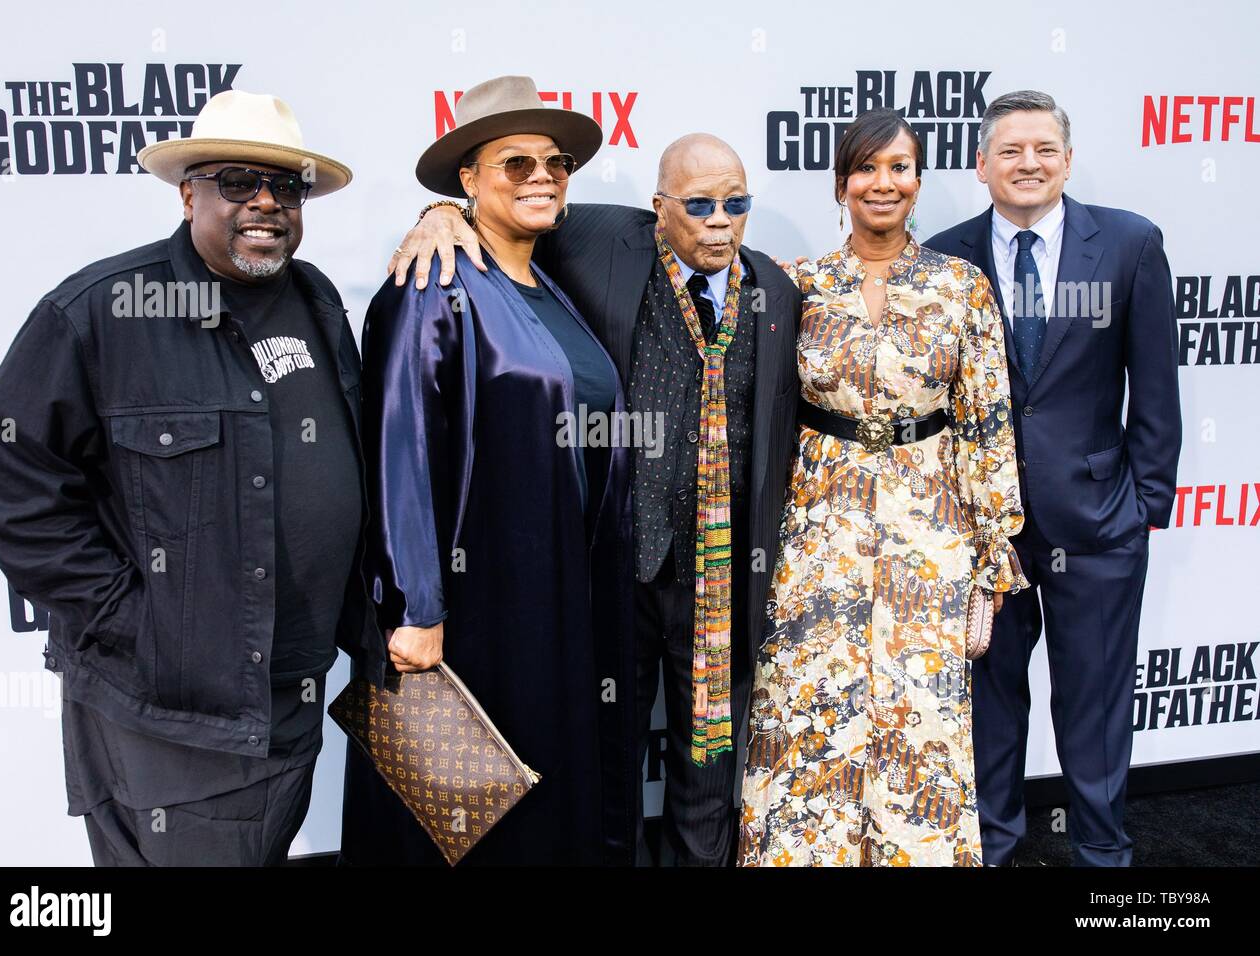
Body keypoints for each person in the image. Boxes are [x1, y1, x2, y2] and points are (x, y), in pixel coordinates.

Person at [0, 90, 387, 865]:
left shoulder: (315, 297)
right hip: (174, 715)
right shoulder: (104, 308)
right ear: (188, 191)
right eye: (237, 182)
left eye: (285, 186)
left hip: (288, 692)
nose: (265, 203)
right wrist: (134, 619)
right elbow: (10, 468)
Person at [396, 130, 802, 866]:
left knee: (710, 764)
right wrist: (437, 214)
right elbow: (506, 205)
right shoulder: (593, 239)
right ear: (659, 209)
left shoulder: (776, 288)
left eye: (736, 202)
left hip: (718, 573)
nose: (719, 219)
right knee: (601, 744)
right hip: (612, 566)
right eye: (700, 203)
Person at [339, 75, 636, 866]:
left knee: (533, 797)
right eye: (515, 164)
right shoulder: (433, 283)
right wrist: (415, 605)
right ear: (467, 179)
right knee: (466, 812)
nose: (542, 177)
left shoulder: (552, 279)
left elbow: (682, 223)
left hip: (560, 595)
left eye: (557, 162)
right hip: (474, 609)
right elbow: (401, 446)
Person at [738, 108, 1028, 867]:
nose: (883, 183)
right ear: (841, 184)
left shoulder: (960, 286)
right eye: (866, 168)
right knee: (806, 713)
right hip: (815, 531)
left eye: (899, 167)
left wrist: (993, 544)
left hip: (929, 534)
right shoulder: (795, 284)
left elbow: (986, 418)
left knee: (918, 720)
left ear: (919, 182)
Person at [925, 90, 1181, 867]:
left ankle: (1104, 861)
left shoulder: (1131, 244)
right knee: (988, 710)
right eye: (1010, 150)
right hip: (983, 536)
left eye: (1043, 150)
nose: (1028, 164)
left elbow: (1157, 384)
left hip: (1099, 524)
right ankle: (993, 848)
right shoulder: (943, 254)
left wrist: (1143, 506)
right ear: (981, 166)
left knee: (1095, 709)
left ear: (1067, 160)